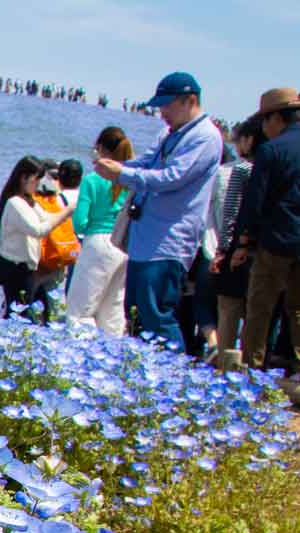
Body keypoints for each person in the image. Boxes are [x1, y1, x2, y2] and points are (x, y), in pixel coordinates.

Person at [93, 72, 223, 348]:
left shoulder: (206, 136)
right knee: (134, 313)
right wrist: (116, 166)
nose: (162, 112)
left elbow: (172, 178)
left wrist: (123, 175)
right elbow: (147, 162)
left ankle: (172, 378)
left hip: (169, 240)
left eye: (167, 105)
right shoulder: (169, 132)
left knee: (157, 315)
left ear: (190, 101)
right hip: (144, 238)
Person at [231, 88, 300, 372]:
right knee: (297, 311)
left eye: (264, 121)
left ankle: (251, 371)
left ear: (276, 118)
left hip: (275, 242)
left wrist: (243, 241)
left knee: (259, 309)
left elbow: (253, 203)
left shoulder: (272, 150)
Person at [65, 127, 134, 334]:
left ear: (101, 149)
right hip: (123, 243)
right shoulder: (129, 179)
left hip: (98, 241)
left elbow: (79, 222)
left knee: (80, 310)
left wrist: (82, 232)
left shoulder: (92, 179)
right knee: (112, 311)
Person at [0, 156, 76, 318]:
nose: (38, 185)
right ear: (24, 177)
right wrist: (66, 212)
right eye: (35, 180)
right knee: (18, 312)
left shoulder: (29, 200)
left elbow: (46, 217)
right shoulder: (15, 202)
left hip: (26, 265)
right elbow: (38, 230)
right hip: (15, 266)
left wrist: (63, 212)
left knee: (24, 311)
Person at [209, 117, 262, 360]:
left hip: (238, 247)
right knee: (259, 313)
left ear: (249, 141)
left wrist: (222, 249)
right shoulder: (275, 167)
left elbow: (231, 212)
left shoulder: (242, 170)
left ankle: (225, 362)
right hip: (264, 249)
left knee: (229, 308)